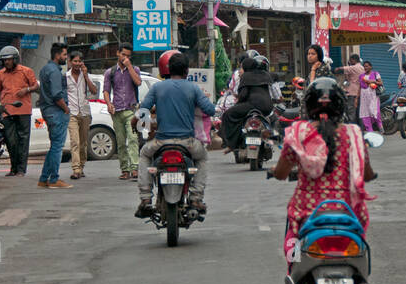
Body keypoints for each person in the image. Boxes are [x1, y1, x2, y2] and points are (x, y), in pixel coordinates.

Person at [270, 76, 376, 274]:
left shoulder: (299, 133)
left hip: (307, 211)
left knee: (292, 241)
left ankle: (293, 276)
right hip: (348, 212)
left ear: (309, 105)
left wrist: (275, 173)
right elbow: (366, 172)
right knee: (360, 241)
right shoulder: (353, 134)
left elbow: (282, 172)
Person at [136, 51, 216, 218]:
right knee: (202, 158)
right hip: (187, 142)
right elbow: (210, 110)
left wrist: (145, 127)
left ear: (168, 70)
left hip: (161, 141)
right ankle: (195, 198)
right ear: (186, 71)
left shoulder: (157, 87)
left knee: (144, 154)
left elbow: (143, 111)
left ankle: (145, 200)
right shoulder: (193, 87)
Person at [0, 45, 38, 177]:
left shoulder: (26, 71)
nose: (7, 62)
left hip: (23, 110)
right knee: (10, 141)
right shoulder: (0, 74)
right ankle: (13, 168)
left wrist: (27, 90)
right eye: (4, 60)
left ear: (15, 59)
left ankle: (21, 170)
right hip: (7, 111)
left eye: (9, 59)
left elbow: (35, 85)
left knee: (23, 140)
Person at [222, 53, 277, 152]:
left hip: (253, 105)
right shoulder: (264, 74)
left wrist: (237, 104)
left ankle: (231, 144)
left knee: (228, 114)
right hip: (268, 108)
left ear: (246, 67)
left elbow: (243, 95)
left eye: (241, 68)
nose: (240, 71)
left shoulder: (246, 76)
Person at [104, 44, 143, 180]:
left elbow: (138, 82)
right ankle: (124, 169)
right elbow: (106, 91)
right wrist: (109, 104)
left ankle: (134, 168)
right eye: (123, 55)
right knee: (120, 142)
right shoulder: (110, 72)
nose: (125, 58)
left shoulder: (135, 69)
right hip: (117, 111)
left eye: (128, 56)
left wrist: (130, 66)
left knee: (132, 139)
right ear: (118, 54)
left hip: (131, 110)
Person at [37, 43, 71, 189]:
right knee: (57, 147)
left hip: (48, 110)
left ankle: (44, 178)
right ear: (57, 55)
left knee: (54, 146)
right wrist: (66, 109)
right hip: (56, 111)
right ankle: (54, 179)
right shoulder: (55, 71)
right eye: (64, 55)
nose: (66, 58)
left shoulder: (45, 69)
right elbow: (57, 95)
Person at [66, 48, 97, 180]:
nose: (78, 63)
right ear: (70, 62)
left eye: (80, 61)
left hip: (84, 112)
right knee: (75, 141)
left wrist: (85, 76)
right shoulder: (65, 77)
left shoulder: (85, 76)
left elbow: (94, 91)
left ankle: (82, 166)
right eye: (75, 61)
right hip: (71, 112)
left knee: (84, 143)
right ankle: (76, 169)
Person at [334, 53, 365, 124]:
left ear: (353, 60)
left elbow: (340, 69)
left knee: (351, 113)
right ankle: (361, 131)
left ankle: (352, 130)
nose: (350, 62)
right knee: (360, 114)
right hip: (361, 93)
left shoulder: (354, 68)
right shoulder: (362, 68)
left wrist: (335, 69)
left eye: (350, 60)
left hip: (353, 93)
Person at [358, 60, 383, 133]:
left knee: (375, 111)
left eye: (367, 66)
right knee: (365, 113)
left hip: (373, 95)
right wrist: (357, 98)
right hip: (364, 96)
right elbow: (359, 87)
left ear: (371, 67)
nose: (365, 67)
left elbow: (381, 83)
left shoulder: (376, 73)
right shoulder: (361, 76)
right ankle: (370, 131)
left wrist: (373, 81)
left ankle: (380, 125)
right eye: (364, 66)